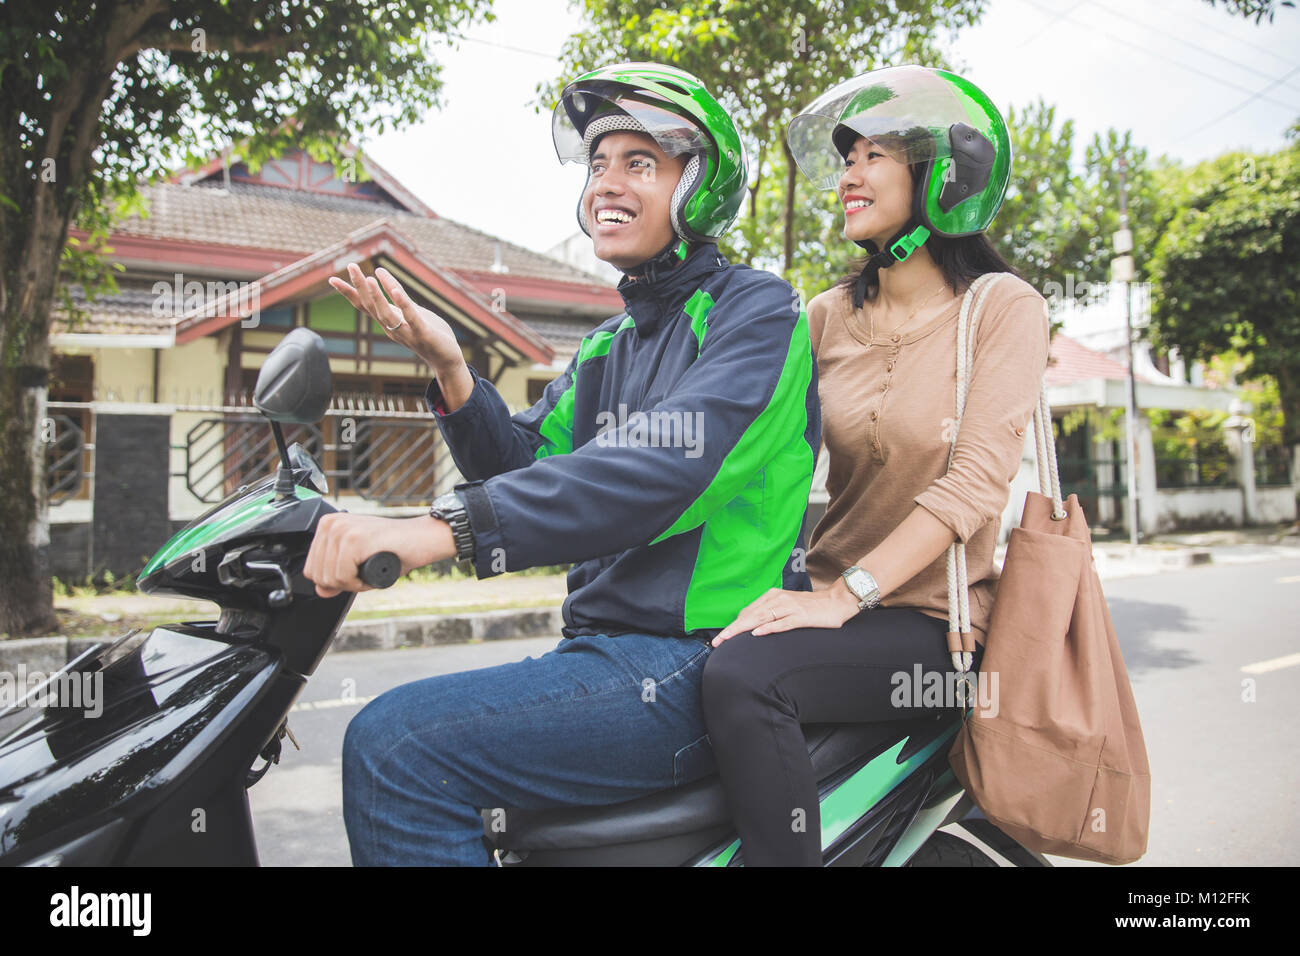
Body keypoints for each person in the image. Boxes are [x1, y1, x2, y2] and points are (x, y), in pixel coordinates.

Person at [301, 62, 821, 865]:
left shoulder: (756, 312)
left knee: (395, 746)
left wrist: (435, 529)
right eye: (597, 163)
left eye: (638, 163)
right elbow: (523, 462)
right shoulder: (609, 344)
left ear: (701, 186)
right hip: (603, 651)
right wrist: (452, 371)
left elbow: (660, 471)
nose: (605, 182)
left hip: (694, 658)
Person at [700, 65, 1052, 866]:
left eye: (873, 157)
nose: (848, 176)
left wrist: (844, 597)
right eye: (846, 158)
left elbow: (974, 484)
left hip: (936, 626)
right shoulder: (825, 315)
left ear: (941, 176)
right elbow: (759, 462)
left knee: (746, 678)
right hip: (828, 598)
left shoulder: (1002, 307)